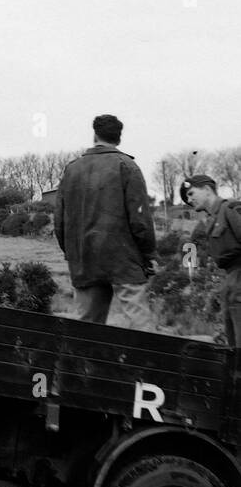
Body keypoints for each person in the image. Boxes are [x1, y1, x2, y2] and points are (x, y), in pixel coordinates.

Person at [54, 114, 158, 329]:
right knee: (140, 326)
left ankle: (86, 363)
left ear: (94, 135)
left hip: (84, 258)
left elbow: (59, 222)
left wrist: (72, 253)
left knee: (87, 328)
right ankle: (145, 362)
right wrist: (148, 254)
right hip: (124, 259)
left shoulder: (72, 170)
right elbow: (140, 220)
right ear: (119, 139)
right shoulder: (127, 167)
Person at [180, 174, 241, 346]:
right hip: (230, 281)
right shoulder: (213, 218)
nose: (189, 199)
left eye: (191, 193)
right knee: (233, 344)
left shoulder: (230, 208)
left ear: (207, 190)